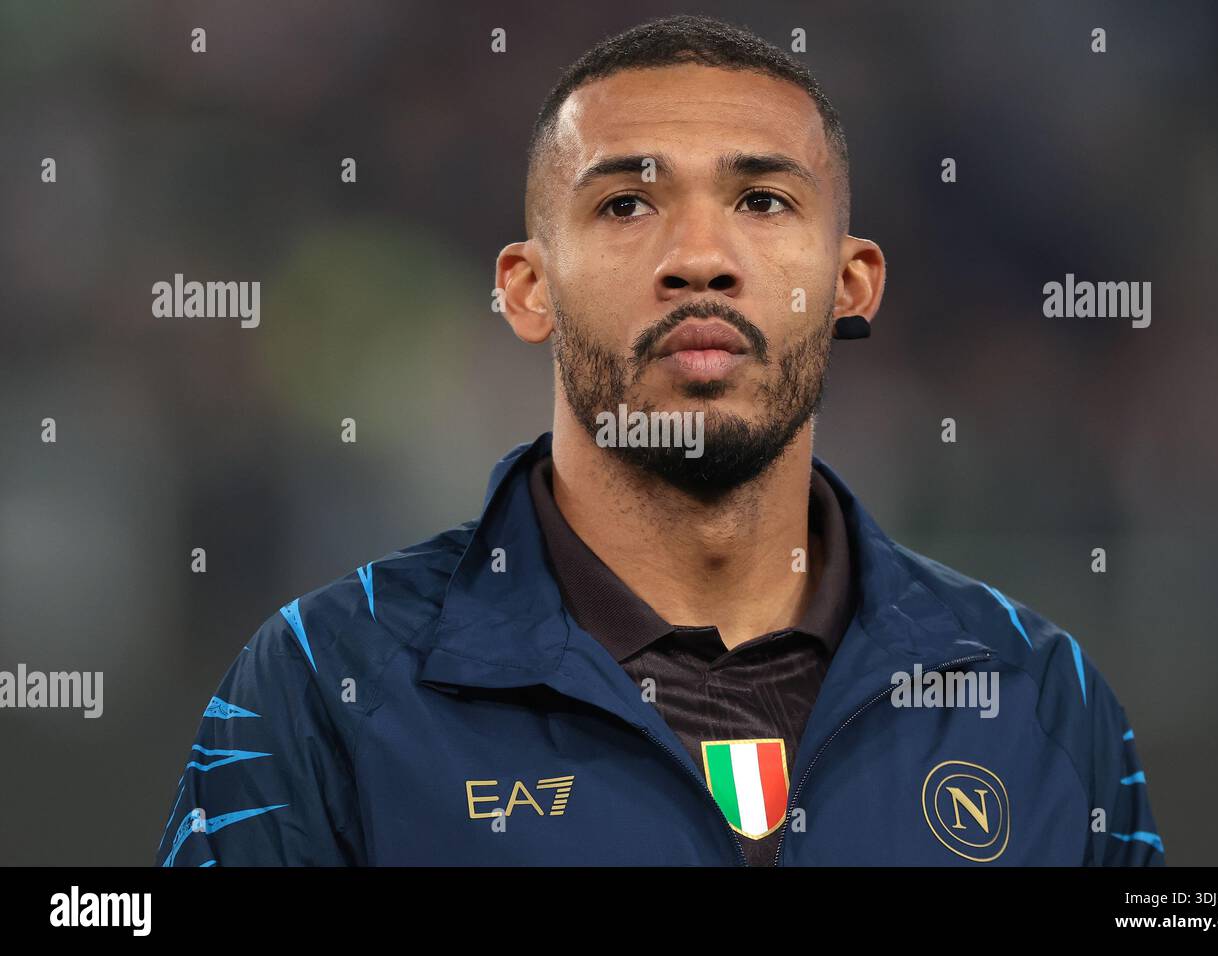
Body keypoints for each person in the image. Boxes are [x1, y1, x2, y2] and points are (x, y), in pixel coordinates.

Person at [156, 14, 1162, 866]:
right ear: (526, 286)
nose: (698, 258)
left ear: (852, 281)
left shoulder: (1041, 697)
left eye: (762, 200)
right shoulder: (322, 685)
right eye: (626, 203)